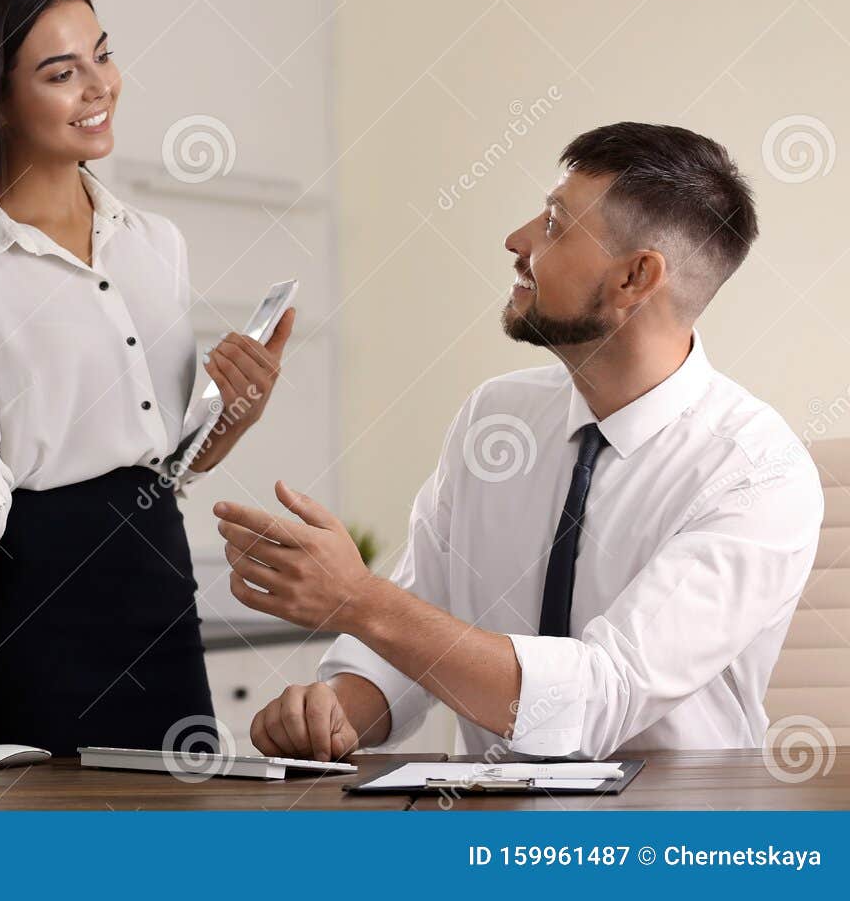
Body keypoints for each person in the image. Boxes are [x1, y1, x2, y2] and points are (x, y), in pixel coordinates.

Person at [215, 123, 823, 760]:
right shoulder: (496, 417)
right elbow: (416, 627)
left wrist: (360, 599)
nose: (517, 240)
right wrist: (337, 709)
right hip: (482, 828)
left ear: (636, 277)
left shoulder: (757, 470)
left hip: (670, 837)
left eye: (556, 223)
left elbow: (597, 699)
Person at [0, 0, 293, 757]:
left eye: (102, 56)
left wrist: (233, 413)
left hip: (157, 599)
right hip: (19, 623)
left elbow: (167, 467)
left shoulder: (158, 245)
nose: (100, 87)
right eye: (61, 73)